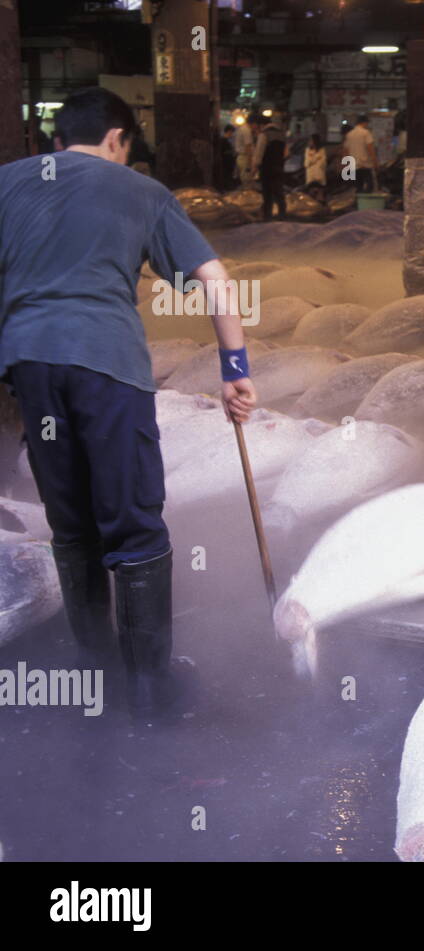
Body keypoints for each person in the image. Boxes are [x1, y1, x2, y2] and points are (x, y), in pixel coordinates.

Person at [0, 87, 257, 718]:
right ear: (117, 139)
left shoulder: (7, 182)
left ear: (54, 140)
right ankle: (152, 690)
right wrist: (234, 369)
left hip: (30, 364)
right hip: (107, 363)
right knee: (133, 519)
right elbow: (213, 280)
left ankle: (95, 675)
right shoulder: (139, 190)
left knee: (72, 522)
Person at [252, 114, 287, 220]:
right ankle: (282, 214)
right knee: (278, 191)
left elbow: (259, 153)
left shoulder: (264, 134)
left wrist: (254, 168)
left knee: (267, 194)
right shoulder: (281, 134)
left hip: (267, 168)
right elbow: (286, 153)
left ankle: (268, 216)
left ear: (261, 125)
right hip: (279, 167)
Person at [343, 115, 378, 193]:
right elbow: (370, 148)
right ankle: (365, 203)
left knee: (358, 187)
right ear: (364, 123)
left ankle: (358, 203)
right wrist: (375, 162)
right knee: (369, 186)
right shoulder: (366, 133)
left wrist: (346, 165)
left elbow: (346, 151)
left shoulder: (349, 134)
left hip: (353, 166)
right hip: (365, 165)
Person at [304, 133, 327, 201]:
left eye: (311, 140)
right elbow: (306, 163)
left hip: (319, 176)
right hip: (311, 177)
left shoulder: (322, 150)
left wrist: (313, 157)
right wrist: (316, 157)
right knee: (311, 197)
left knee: (320, 196)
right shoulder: (308, 150)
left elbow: (323, 163)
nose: (309, 142)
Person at [234, 117, 255, 185]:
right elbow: (248, 147)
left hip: (241, 157)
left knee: (244, 178)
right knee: (247, 180)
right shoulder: (247, 130)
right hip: (245, 157)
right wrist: (249, 163)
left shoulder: (241, 129)